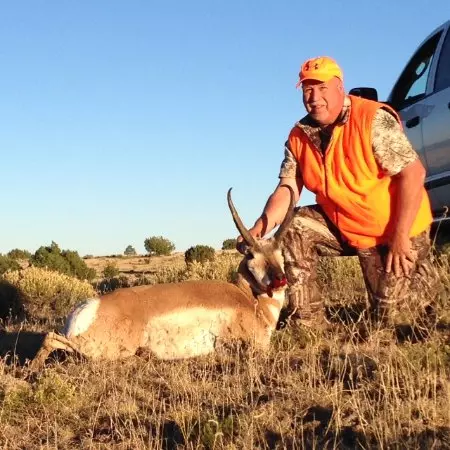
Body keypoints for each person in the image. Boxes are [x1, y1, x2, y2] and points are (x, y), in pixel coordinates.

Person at [236, 56, 440, 329]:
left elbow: (414, 174)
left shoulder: (371, 119)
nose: (314, 97)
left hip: (396, 229)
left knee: (395, 324)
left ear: (339, 87)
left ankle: (426, 282)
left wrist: (402, 236)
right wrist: (260, 227)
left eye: (322, 88)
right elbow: (288, 187)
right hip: (349, 226)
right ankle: (307, 323)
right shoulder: (300, 135)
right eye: (308, 89)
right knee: (295, 225)